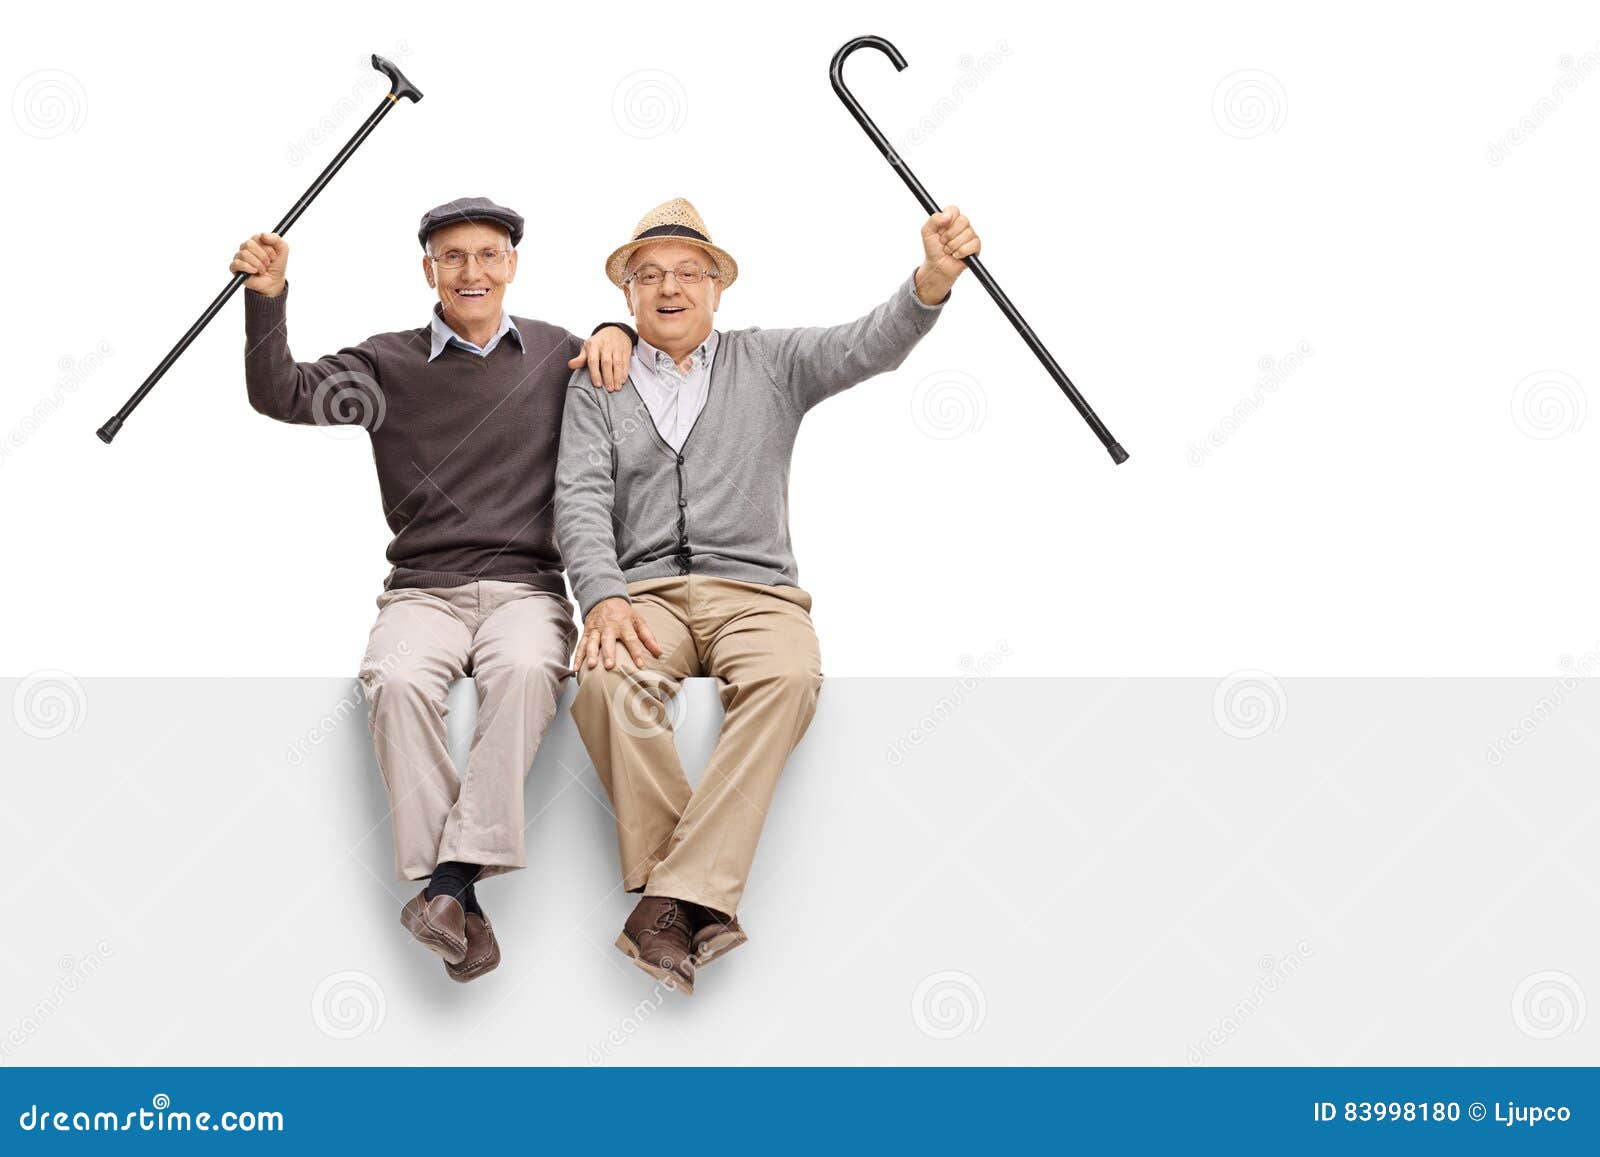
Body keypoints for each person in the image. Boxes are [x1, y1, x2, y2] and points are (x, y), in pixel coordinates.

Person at [555, 196, 979, 994]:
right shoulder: (598, 379)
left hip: (757, 594)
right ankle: (691, 897)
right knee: (606, 683)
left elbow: (868, 343)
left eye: (688, 273)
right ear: (626, 294)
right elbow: (578, 497)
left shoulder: (771, 361)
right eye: (649, 275)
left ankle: (667, 902)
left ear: (717, 288)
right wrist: (604, 597)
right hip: (644, 595)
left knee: (788, 677)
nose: (669, 288)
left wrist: (931, 279)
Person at [233, 196, 637, 983]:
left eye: (488, 254)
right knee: (393, 680)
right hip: (423, 590)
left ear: (512, 265)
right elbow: (280, 393)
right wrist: (268, 296)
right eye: (452, 257)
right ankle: (457, 897)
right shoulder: (386, 367)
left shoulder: (560, 354)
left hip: (527, 589)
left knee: (528, 671)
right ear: (429, 271)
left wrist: (614, 328)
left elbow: (638, 370)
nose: (471, 271)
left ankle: (447, 886)